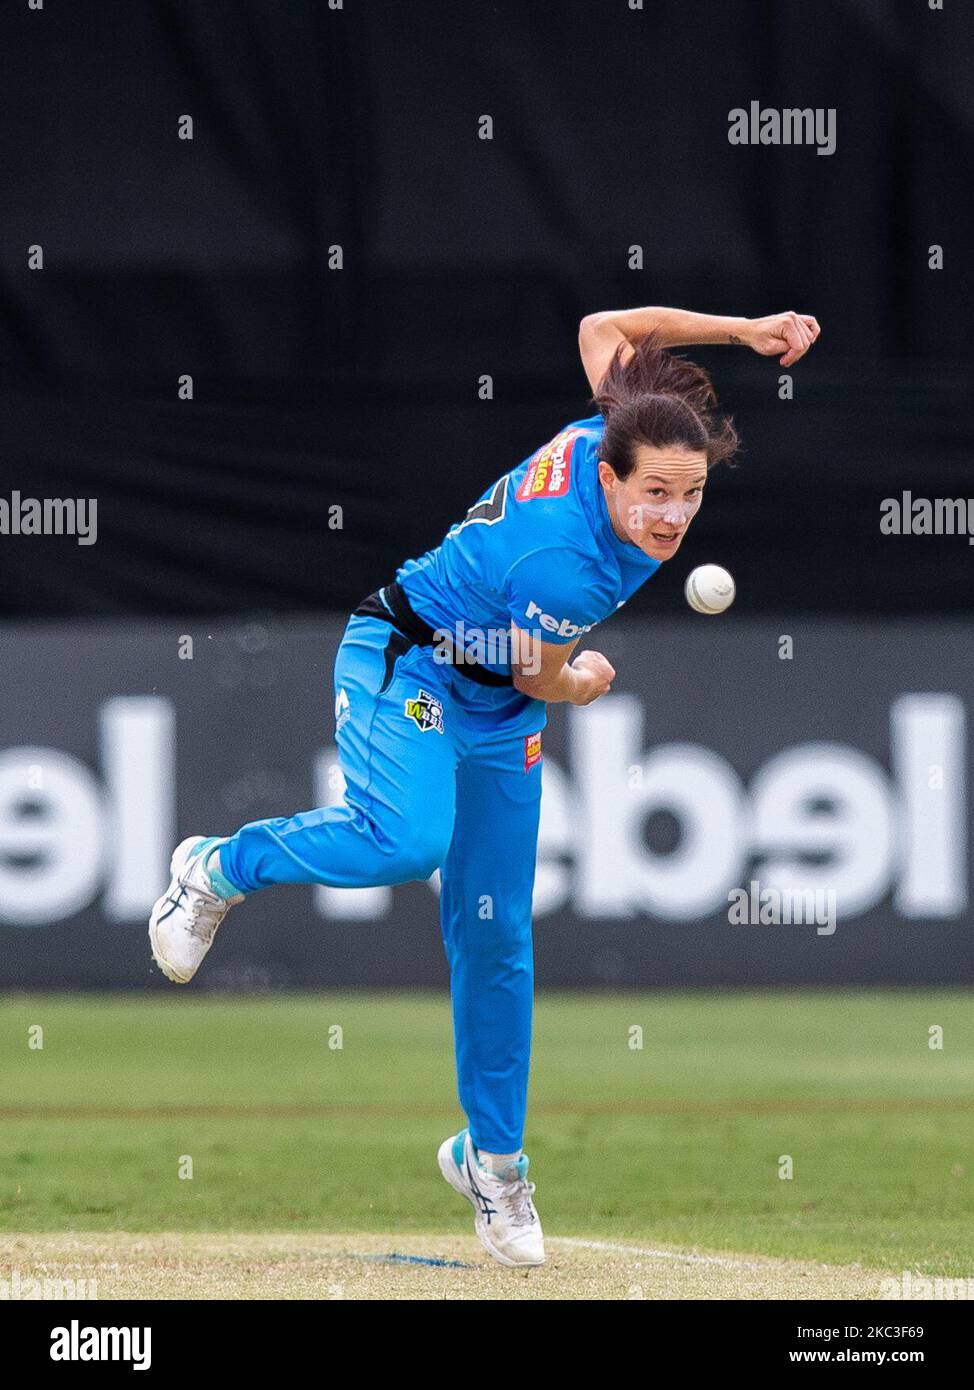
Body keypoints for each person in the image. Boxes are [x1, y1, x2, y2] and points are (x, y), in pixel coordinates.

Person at [149, 304, 820, 1267]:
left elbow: (603, 323)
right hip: (408, 661)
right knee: (405, 840)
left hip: (496, 712)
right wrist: (584, 682)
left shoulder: (614, 420)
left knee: (497, 931)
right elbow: (539, 675)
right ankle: (218, 866)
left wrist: (744, 332)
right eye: (657, 495)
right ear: (608, 475)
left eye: (692, 495)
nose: (672, 518)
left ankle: (491, 1165)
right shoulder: (570, 563)